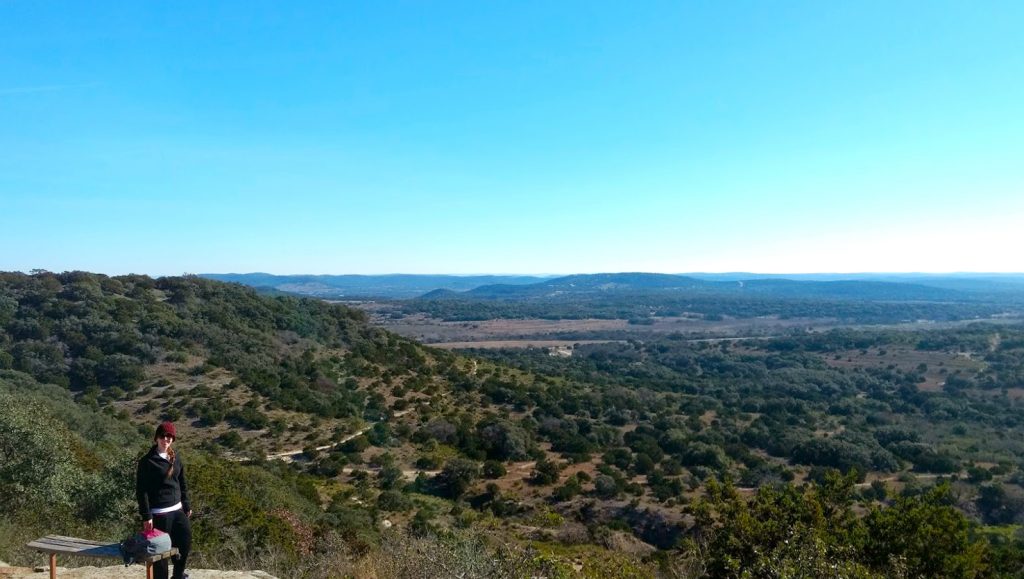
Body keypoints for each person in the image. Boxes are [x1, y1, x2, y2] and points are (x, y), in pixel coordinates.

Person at [136, 421, 192, 579]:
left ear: (173, 439)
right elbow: (142, 491)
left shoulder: (176, 457)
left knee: (185, 542)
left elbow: (182, 482)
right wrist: (146, 515)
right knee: (161, 553)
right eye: (162, 436)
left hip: (178, 510)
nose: (166, 439)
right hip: (159, 514)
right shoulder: (147, 461)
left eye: (169, 436)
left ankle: (178, 575)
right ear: (156, 438)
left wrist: (186, 504)